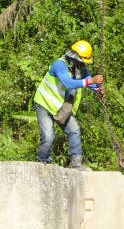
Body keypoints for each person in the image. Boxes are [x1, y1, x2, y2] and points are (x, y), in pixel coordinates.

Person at [33, 39, 104, 169]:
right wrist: (90, 82)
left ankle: (77, 166)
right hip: (44, 103)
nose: (84, 65)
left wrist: (97, 88)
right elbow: (68, 83)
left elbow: (88, 79)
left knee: (74, 130)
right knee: (48, 136)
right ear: (75, 57)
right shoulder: (59, 65)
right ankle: (42, 164)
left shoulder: (79, 68)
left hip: (60, 107)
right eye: (83, 61)